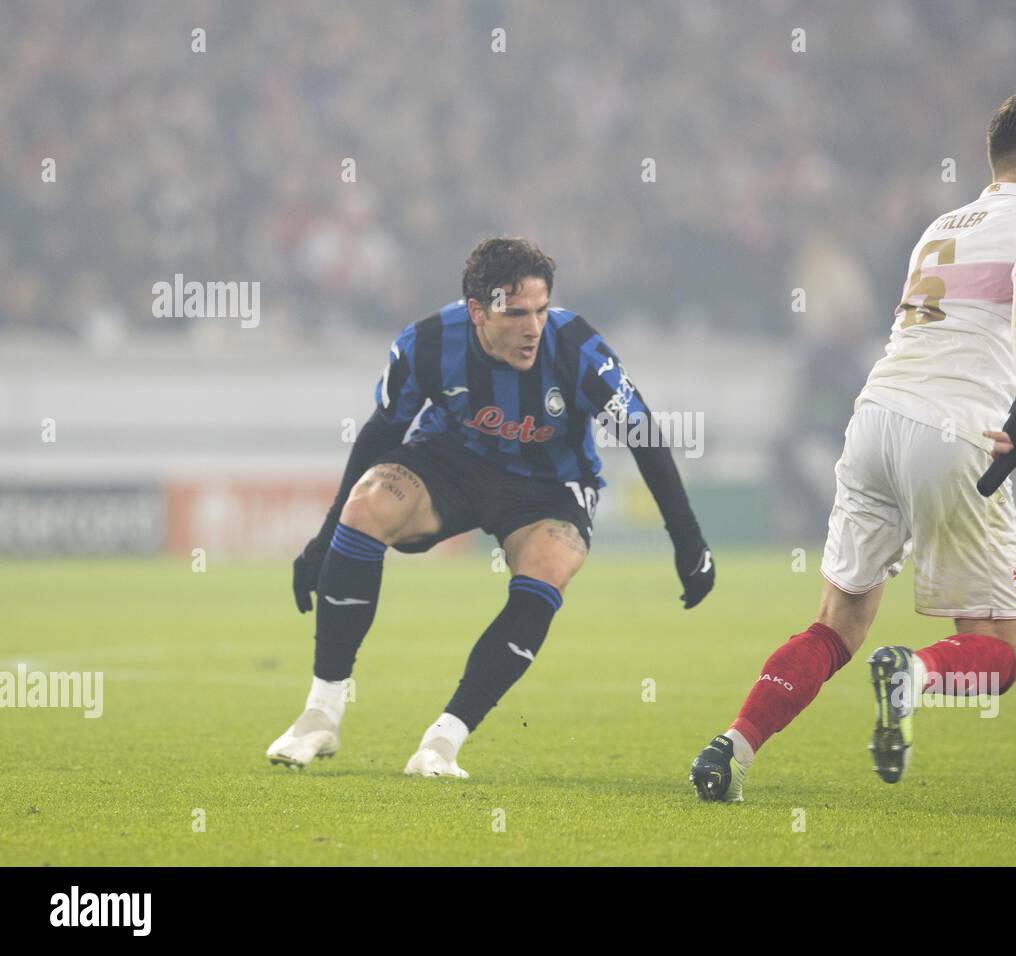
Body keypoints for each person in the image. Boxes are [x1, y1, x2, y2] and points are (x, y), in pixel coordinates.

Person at [689, 93, 1016, 800]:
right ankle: (916, 674)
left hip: (876, 422)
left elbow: (958, 351)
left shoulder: (941, 228)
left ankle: (732, 749)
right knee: (1003, 648)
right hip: (955, 437)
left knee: (836, 625)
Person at [269, 236, 715, 777]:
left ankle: (442, 741)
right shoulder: (428, 344)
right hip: (452, 464)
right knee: (365, 507)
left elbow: (642, 434)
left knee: (551, 565)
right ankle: (322, 710)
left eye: (541, 310)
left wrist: (687, 539)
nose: (533, 328)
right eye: (517, 313)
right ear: (478, 312)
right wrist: (326, 537)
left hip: (549, 484)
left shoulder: (576, 347)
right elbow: (381, 432)